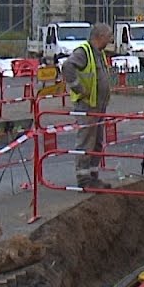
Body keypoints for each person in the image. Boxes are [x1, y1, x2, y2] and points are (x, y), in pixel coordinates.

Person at [59, 23, 114, 189]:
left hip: (98, 106)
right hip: (87, 105)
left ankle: (93, 176)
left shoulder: (99, 53)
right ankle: (83, 180)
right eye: (109, 36)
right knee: (86, 141)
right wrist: (77, 87)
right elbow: (67, 67)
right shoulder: (84, 52)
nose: (111, 39)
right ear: (100, 37)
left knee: (97, 142)